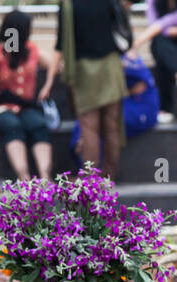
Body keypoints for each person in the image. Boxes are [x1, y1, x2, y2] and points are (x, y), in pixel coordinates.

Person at [54, 0, 128, 179]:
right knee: (111, 126)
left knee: (89, 128)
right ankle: (109, 177)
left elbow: (61, 44)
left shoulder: (68, 4)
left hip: (85, 70)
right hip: (111, 66)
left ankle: (90, 181)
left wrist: (50, 78)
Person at [0, 9, 55, 180]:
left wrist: (47, 85)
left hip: (24, 105)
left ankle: (45, 177)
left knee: (39, 124)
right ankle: (24, 178)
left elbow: (53, 64)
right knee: (13, 126)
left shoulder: (31, 50)